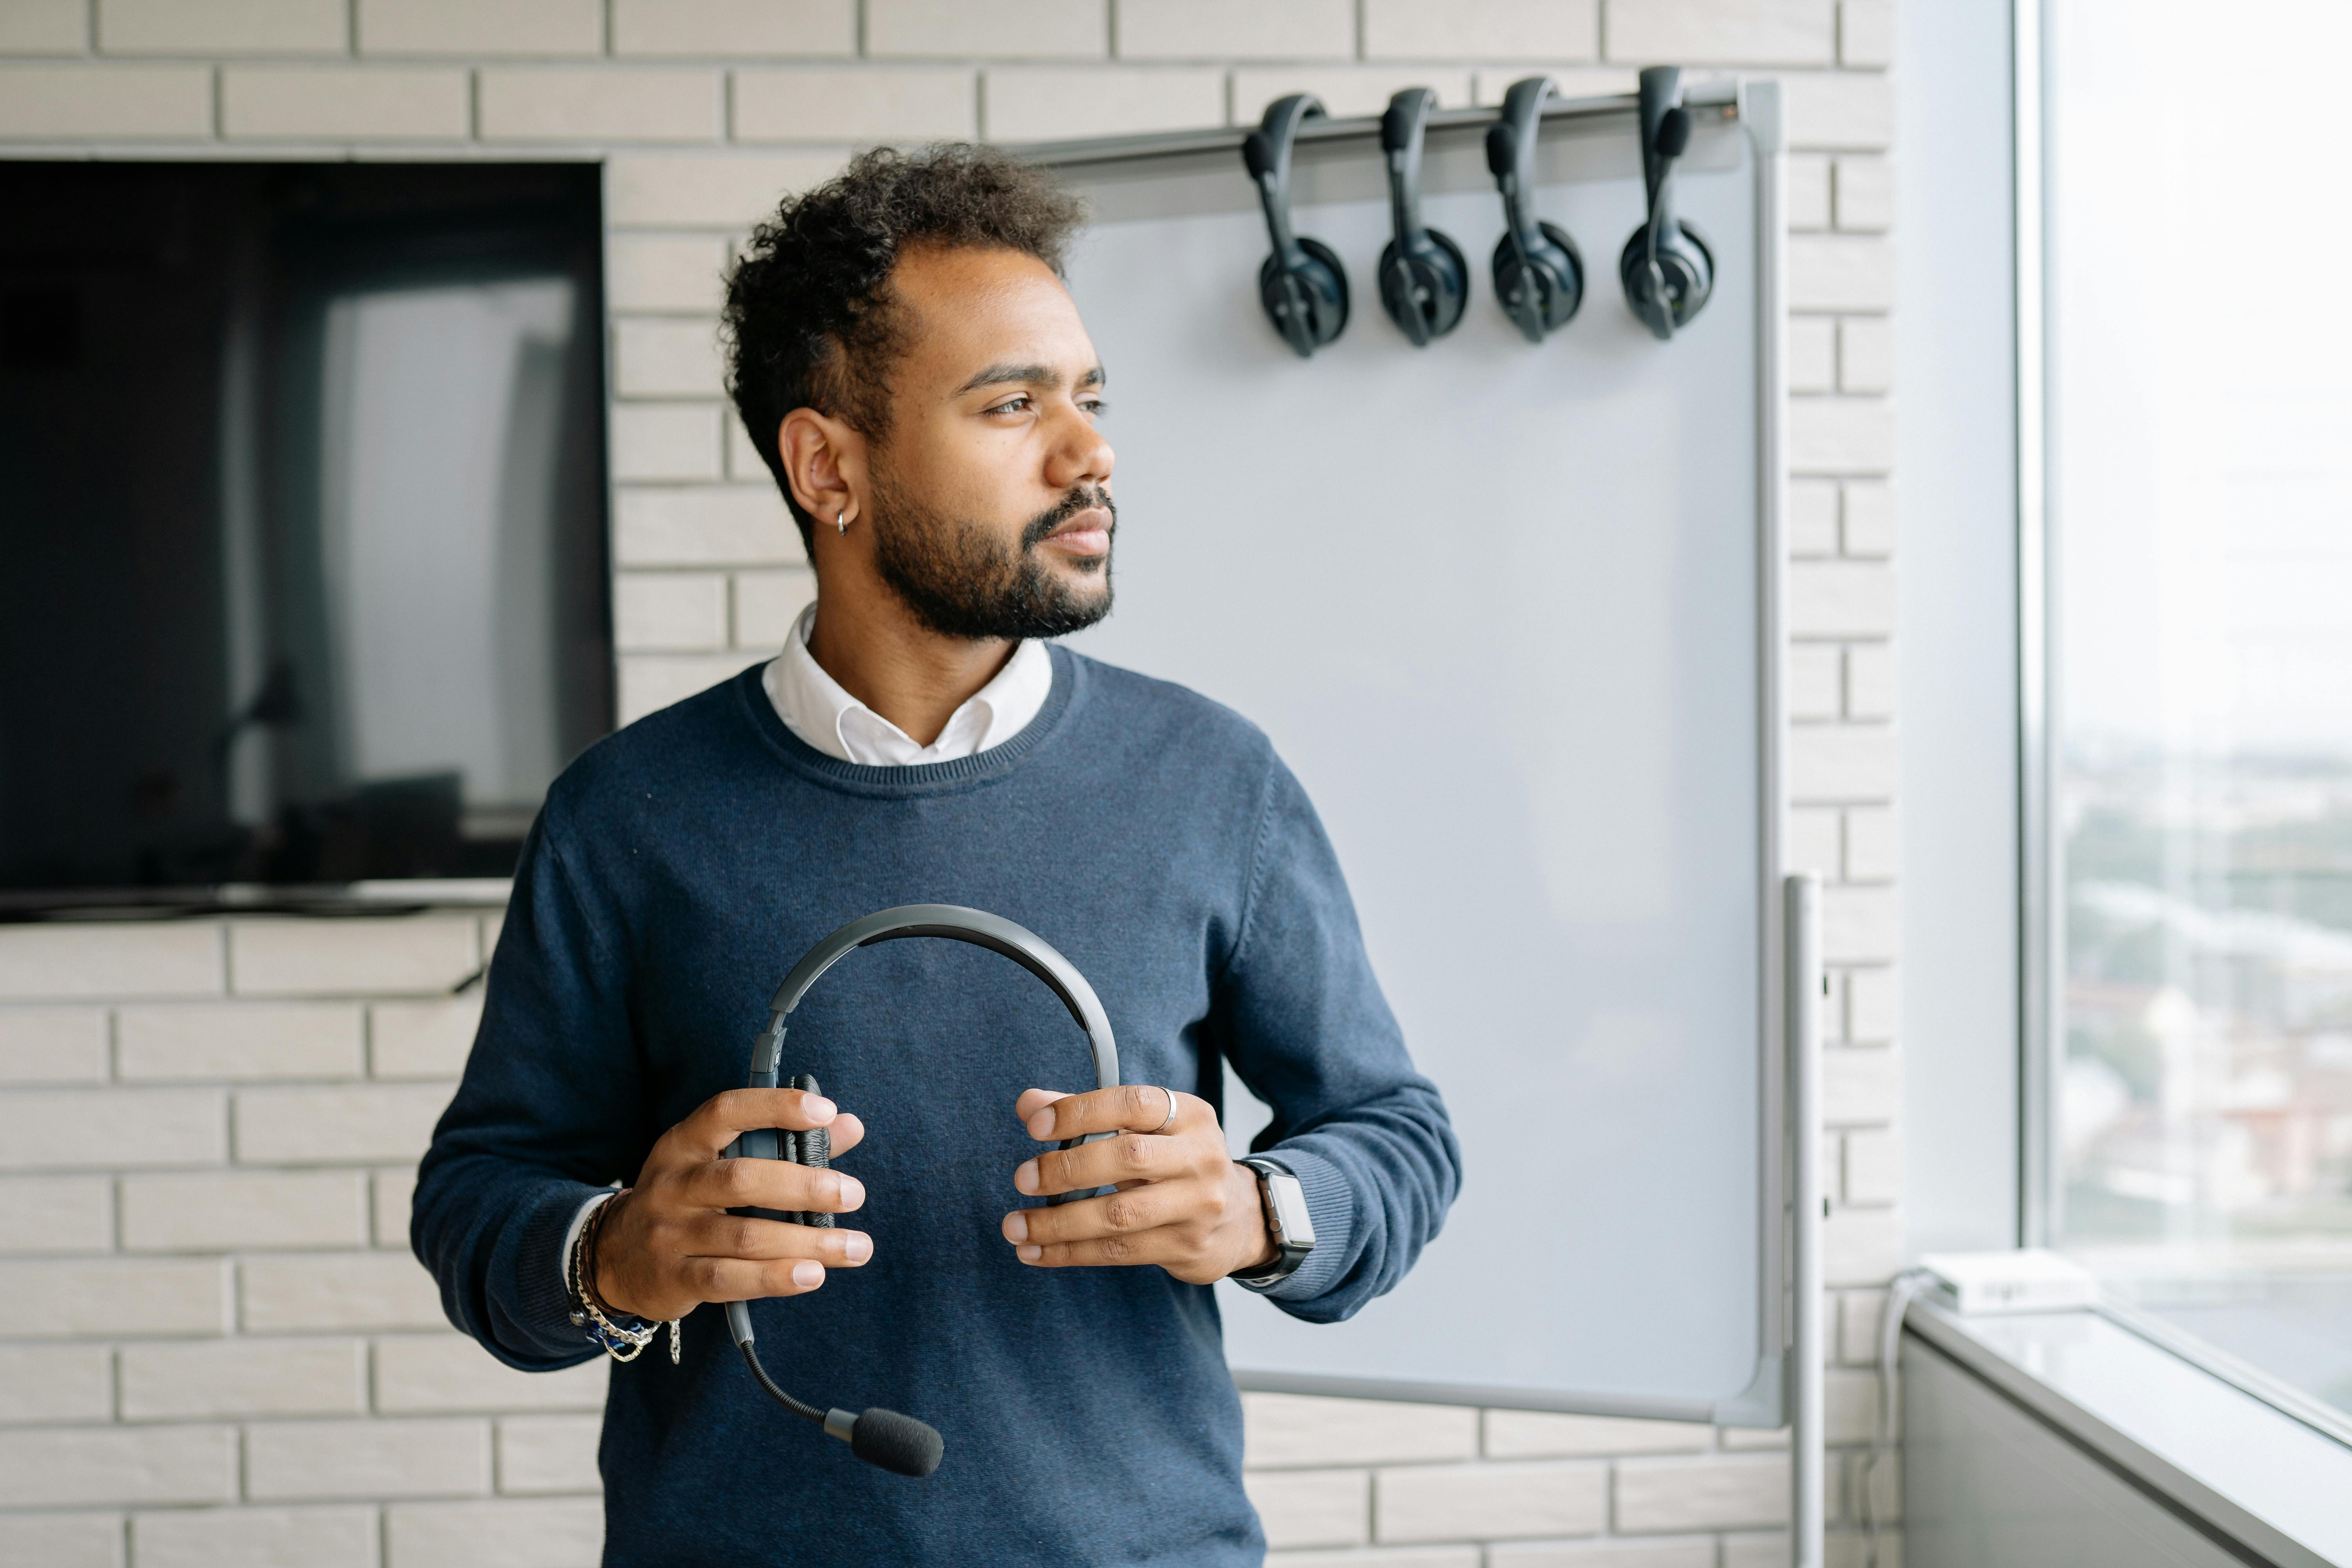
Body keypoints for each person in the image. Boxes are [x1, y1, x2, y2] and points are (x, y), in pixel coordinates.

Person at [414, 143, 1460, 1566]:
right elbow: (480, 1202)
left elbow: (1399, 1142)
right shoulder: (624, 815)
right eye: (1012, 404)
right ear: (828, 466)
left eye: (1090, 398)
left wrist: (1263, 1210)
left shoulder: (1216, 781)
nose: (1090, 453)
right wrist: (614, 1254)